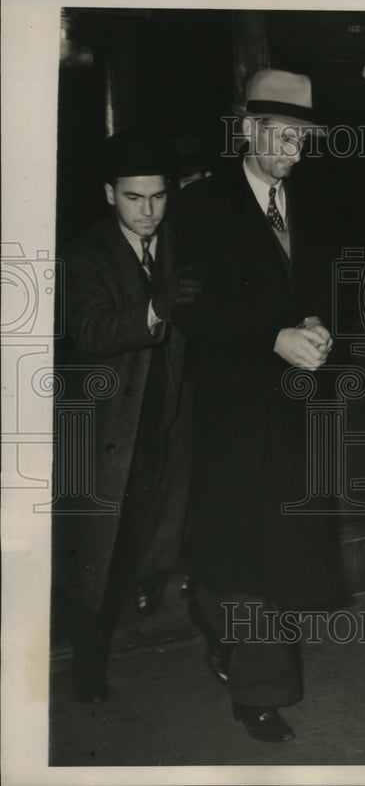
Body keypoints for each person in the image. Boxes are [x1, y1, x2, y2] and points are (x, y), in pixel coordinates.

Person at [173, 69, 347, 742]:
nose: (294, 152)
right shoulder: (201, 204)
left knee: (269, 548)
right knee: (243, 549)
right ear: (248, 129)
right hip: (230, 407)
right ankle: (260, 694)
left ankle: (221, 622)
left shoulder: (314, 201)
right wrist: (271, 338)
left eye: (304, 139)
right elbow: (191, 309)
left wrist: (320, 326)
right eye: (282, 136)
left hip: (293, 406)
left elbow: (321, 286)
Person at [52, 129, 202, 703]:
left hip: (167, 416)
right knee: (98, 555)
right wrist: (157, 306)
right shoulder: (84, 255)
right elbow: (92, 331)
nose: (148, 211)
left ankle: (149, 583)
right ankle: (87, 670)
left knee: (155, 526)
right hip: (107, 431)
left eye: (158, 197)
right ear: (109, 194)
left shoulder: (180, 241)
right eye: (134, 198)